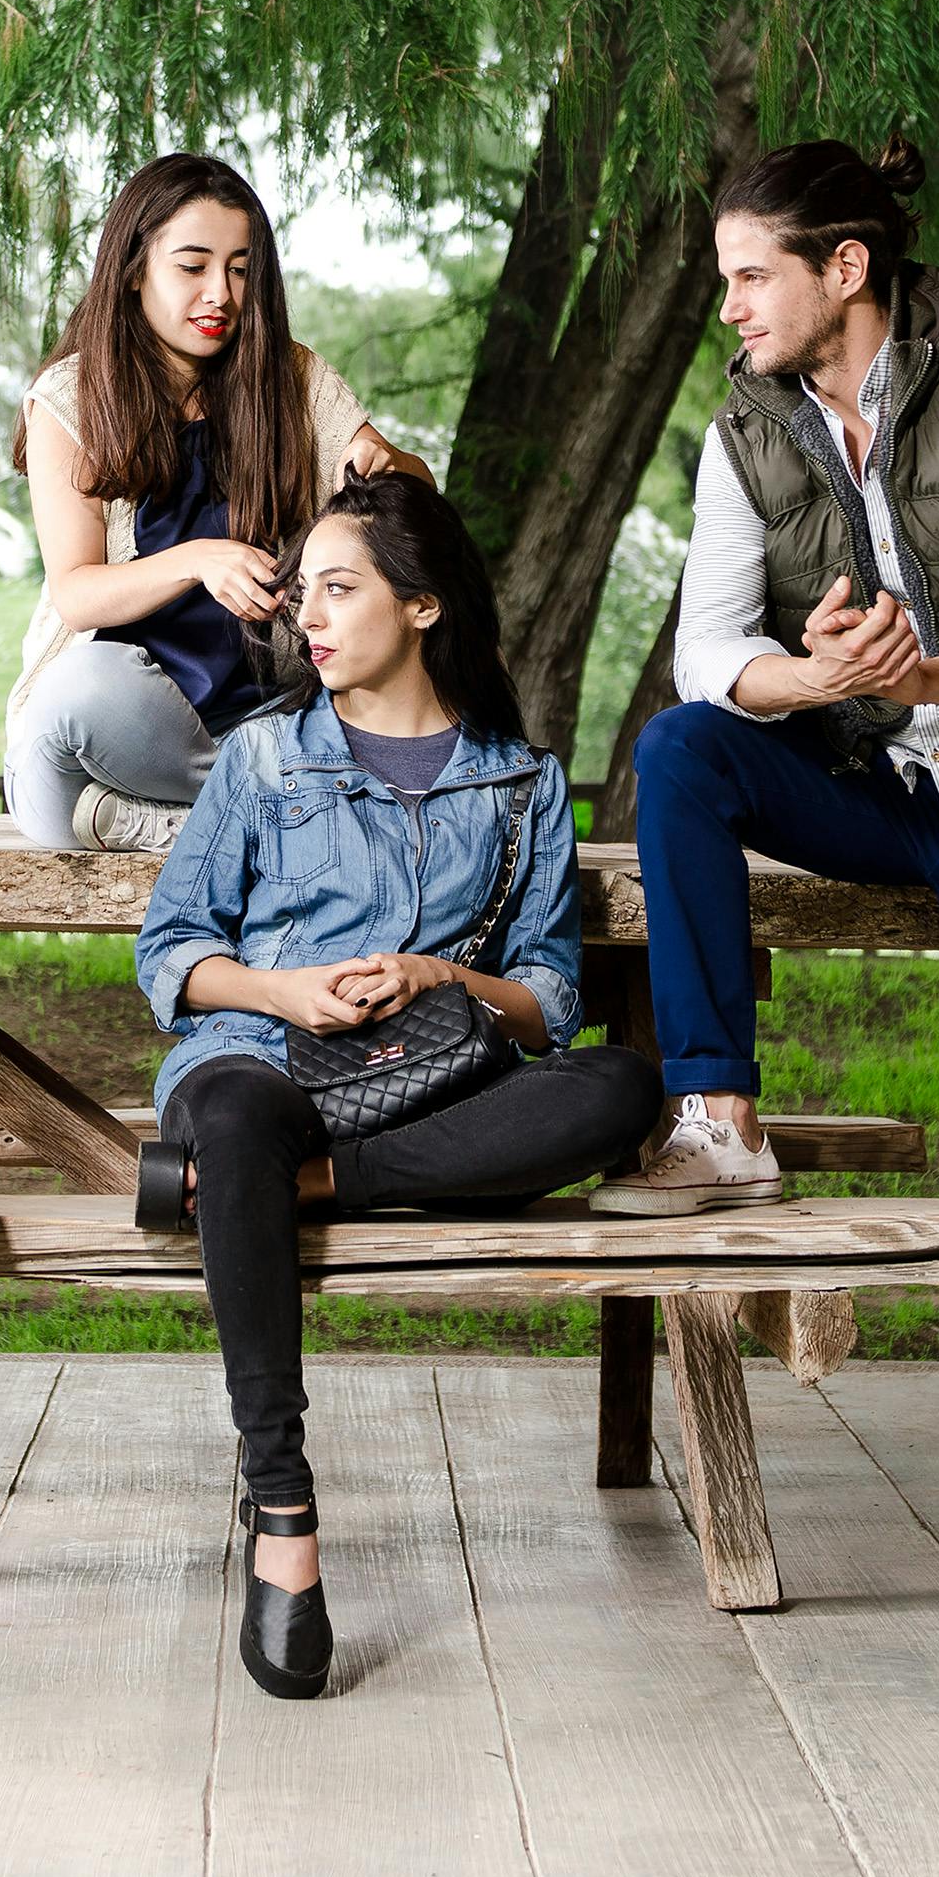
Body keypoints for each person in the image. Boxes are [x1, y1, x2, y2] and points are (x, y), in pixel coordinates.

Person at [591, 139, 939, 1651]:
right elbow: (715, 651)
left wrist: (933, 673)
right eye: (722, 283)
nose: (730, 310)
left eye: (749, 276)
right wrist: (822, 677)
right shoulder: (744, 432)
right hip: (869, 783)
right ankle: (720, 1117)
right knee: (685, 749)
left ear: (845, 269)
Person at [133, 470, 662, 1699]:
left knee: (622, 1088)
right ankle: (283, 1509)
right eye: (302, 591)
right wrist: (287, 991)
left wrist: (442, 975)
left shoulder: (520, 782)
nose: (306, 616)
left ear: (421, 605)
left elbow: (550, 1000)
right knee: (232, 1110)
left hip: (420, 1089)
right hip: (261, 1057)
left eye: (339, 586)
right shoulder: (264, 757)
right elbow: (171, 953)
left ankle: (271, 1187)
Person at [5, 151, 430, 852]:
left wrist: (389, 465)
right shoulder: (70, 398)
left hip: (258, 714)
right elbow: (77, 595)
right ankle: (279, 810)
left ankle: (187, 824)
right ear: (136, 267)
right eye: (193, 266)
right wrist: (199, 559)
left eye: (238, 269)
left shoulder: (291, 378)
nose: (221, 295)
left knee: (381, 704)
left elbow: (416, 488)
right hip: (125, 728)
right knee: (77, 695)